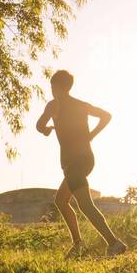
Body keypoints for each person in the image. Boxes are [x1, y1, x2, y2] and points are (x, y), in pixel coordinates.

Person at [36, 70, 127, 258]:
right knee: (61, 200)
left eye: (52, 87)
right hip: (86, 159)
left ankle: (113, 243)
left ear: (57, 87)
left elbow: (39, 125)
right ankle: (78, 245)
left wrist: (46, 130)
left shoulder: (54, 105)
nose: (52, 90)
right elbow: (106, 116)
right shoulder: (81, 105)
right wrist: (91, 135)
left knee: (85, 205)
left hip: (74, 162)